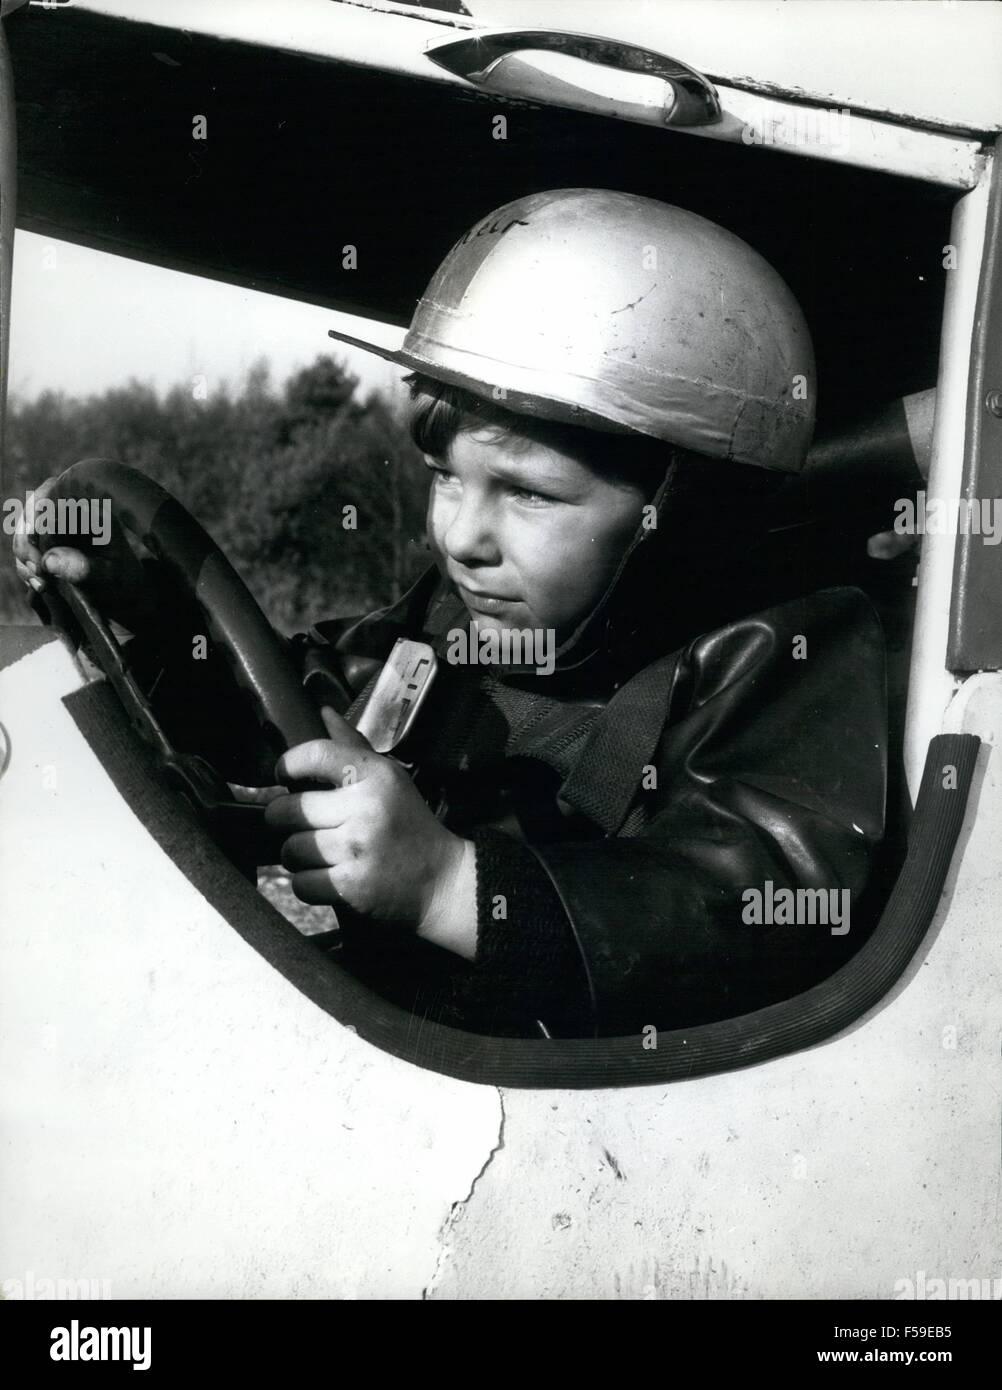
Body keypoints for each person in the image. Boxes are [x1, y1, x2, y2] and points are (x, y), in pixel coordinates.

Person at [14, 189, 887, 1040]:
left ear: (678, 514)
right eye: (444, 476)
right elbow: (300, 703)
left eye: (529, 494)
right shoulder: (449, 628)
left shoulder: (782, 649)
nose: (461, 536)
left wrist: (448, 885)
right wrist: (158, 622)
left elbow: (774, 901)